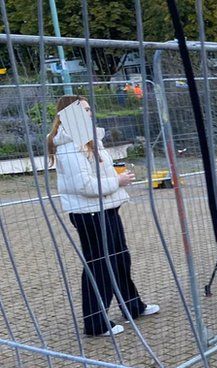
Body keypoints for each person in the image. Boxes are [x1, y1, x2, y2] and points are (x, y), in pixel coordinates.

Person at [49, 95, 159, 337]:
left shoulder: (89, 141)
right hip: (88, 214)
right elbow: (85, 186)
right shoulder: (69, 146)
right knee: (99, 264)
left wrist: (116, 178)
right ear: (70, 114)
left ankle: (132, 305)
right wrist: (117, 181)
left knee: (120, 257)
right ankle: (95, 322)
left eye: (89, 109)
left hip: (107, 207)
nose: (90, 114)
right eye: (84, 110)